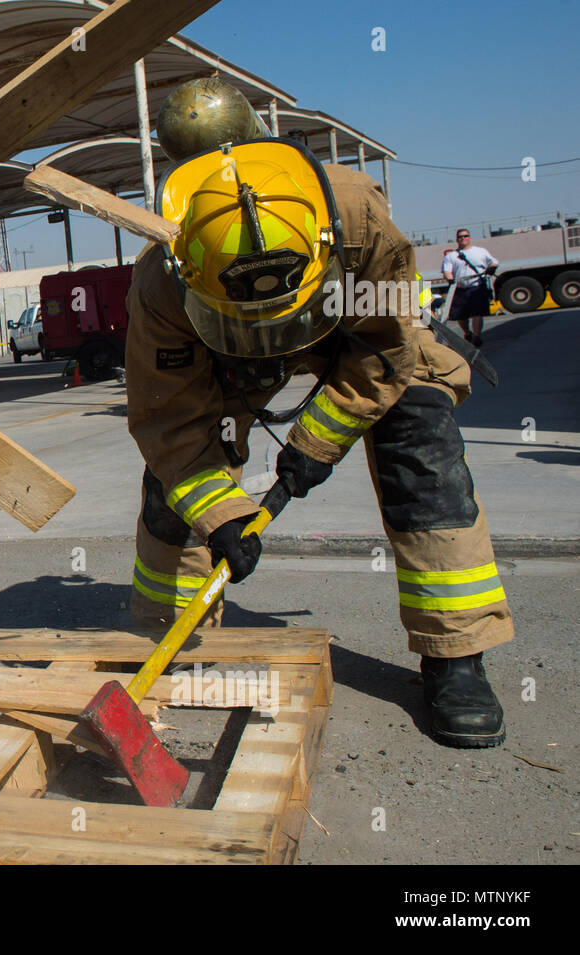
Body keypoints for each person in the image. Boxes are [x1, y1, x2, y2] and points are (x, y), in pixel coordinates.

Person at [127, 85, 511, 749]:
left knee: (424, 452)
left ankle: (457, 653)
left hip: (353, 335)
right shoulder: (160, 280)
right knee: (172, 486)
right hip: (228, 357)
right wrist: (221, 512)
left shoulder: (357, 213)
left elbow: (385, 346)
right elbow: (170, 424)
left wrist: (314, 442)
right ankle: (173, 634)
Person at [442, 230, 498, 346]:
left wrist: (492, 268)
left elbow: (494, 262)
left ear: (470, 237)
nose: (463, 238)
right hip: (460, 288)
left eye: (465, 236)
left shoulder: (480, 251)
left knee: (477, 313)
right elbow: (447, 271)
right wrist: (450, 279)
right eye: (460, 237)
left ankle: (477, 336)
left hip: (476, 286)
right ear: (457, 239)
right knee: (460, 315)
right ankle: (467, 333)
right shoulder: (451, 256)